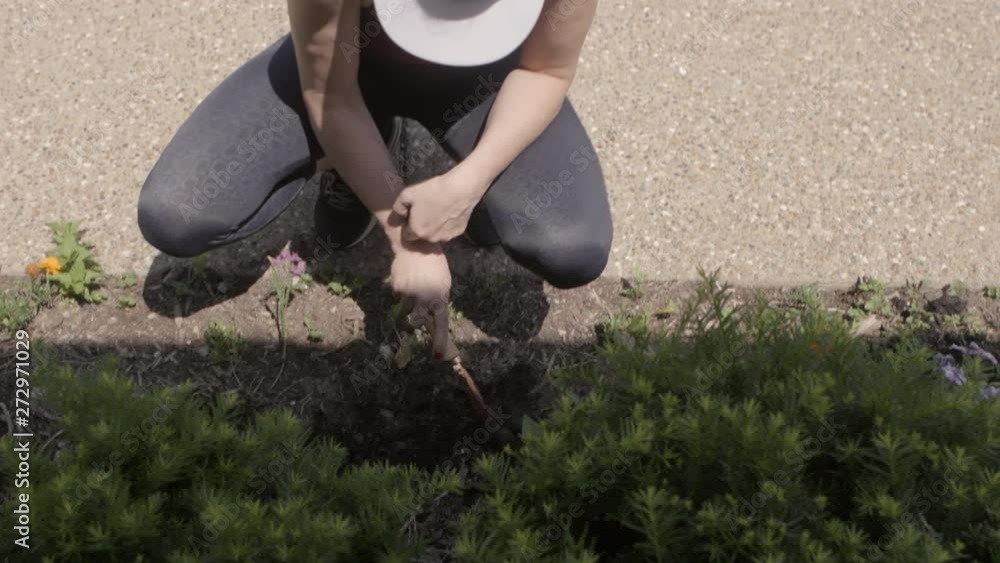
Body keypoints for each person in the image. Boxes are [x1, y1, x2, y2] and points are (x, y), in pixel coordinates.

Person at [137, 0, 612, 359]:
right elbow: (329, 93)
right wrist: (405, 236)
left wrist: (472, 180)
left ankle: (475, 190)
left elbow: (546, 69)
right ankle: (365, 144)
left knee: (570, 245)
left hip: (484, 83)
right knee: (176, 212)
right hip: (351, 59)